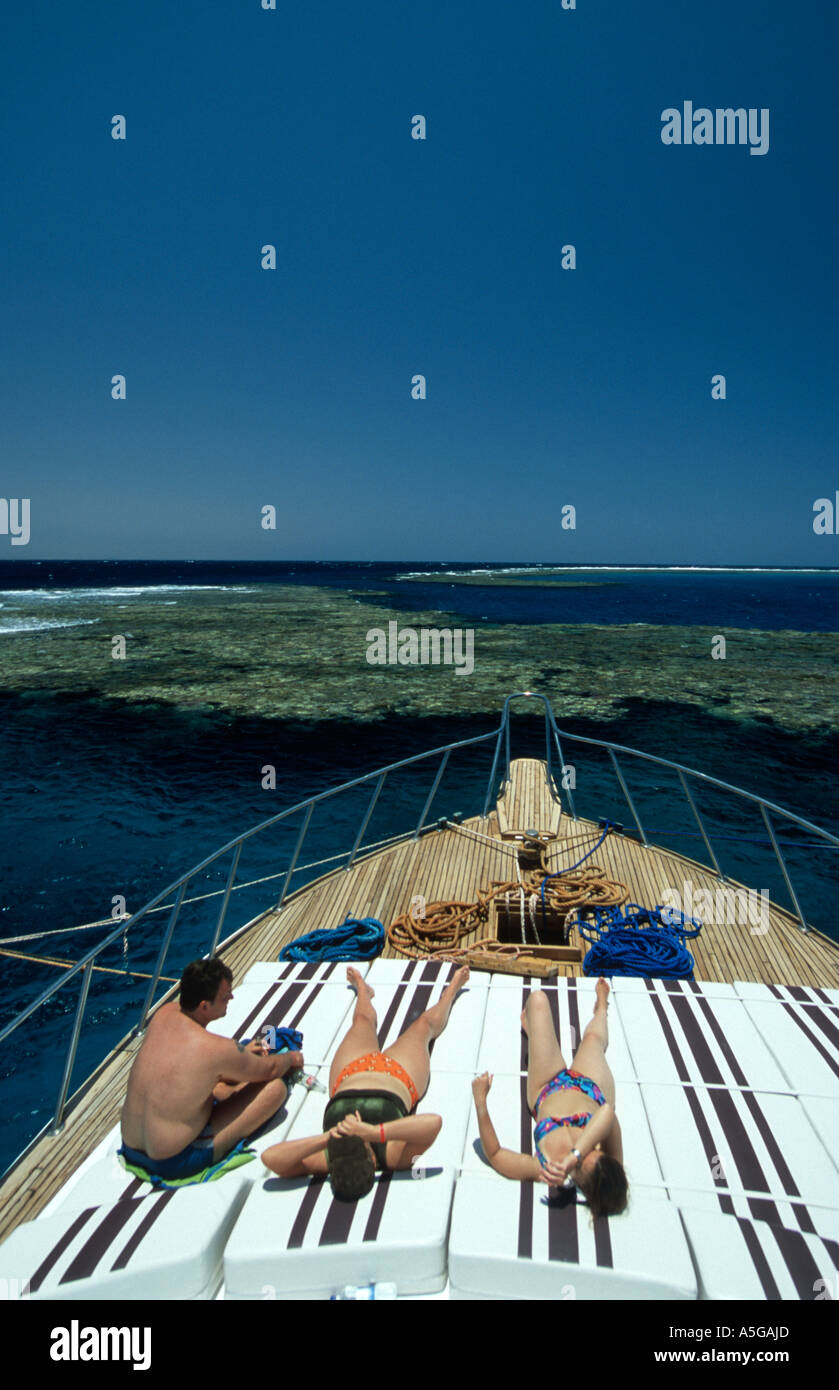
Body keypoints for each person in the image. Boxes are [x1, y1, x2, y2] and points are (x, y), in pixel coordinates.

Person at [262, 964, 470, 1200]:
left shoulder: (329, 1158)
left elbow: (271, 1158)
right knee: (423, 1026)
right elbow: (433, 1123)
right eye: (360, 1147)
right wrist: (373, 1132)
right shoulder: (391, 1156)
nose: (352, 1142)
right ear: (372, 1161)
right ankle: (452, 990)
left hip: (349, 1073)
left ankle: (363, 990)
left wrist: (328, 1138)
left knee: (362, 1020)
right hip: (400, 1075)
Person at [120, 958, 298, 1180]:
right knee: (275, 1089)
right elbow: (270, 1070)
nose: (231, 997)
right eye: (225, 997)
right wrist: (290, 1058)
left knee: (219, 1084)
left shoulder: (164, 1013)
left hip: (129, 1145)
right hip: (171, 1161)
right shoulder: (215, 1049)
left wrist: (236, 1057)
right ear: (204, 1005)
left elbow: (190, 1065)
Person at [471, 978, 628, 1218]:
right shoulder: (610, 1161)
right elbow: (607, 1113)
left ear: (582, 1183)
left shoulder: (545, 1167)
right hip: (591, 1088)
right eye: (593, 1151)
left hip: (547, 1087)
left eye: (585, 1158)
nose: (588, 1151)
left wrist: (481, 1103)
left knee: (538, 1001)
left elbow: (496, 1154)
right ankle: (602, 1007)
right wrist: (574, 1156)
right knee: (592, 1040)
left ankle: (535, 1036)